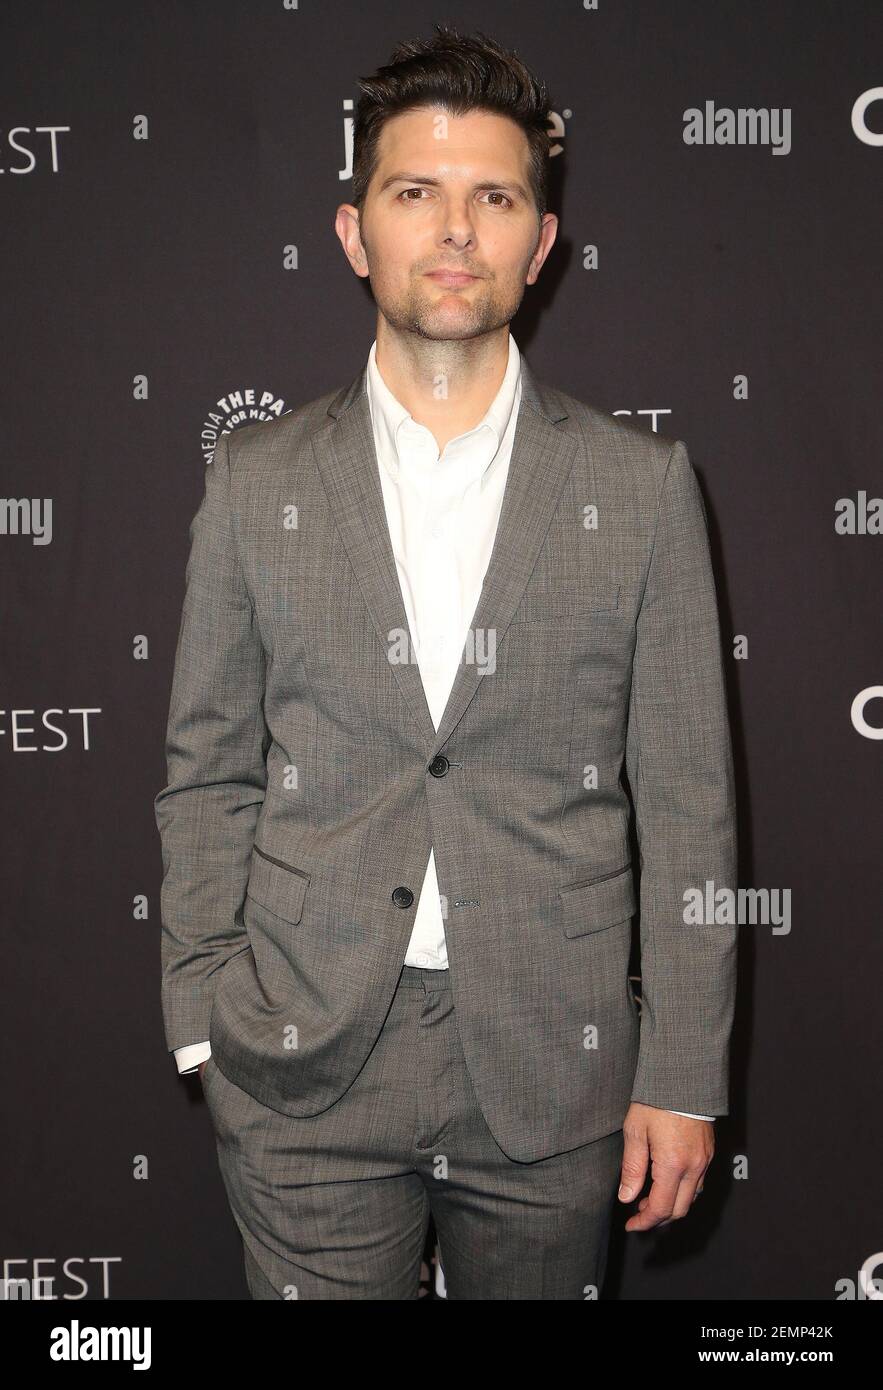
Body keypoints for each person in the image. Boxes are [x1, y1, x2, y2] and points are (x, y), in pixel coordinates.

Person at [154, 24, 737, 1300]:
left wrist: (682, 1072)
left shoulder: (639, 491)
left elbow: (689, 805)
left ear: (540, 242)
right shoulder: (256, 484)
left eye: (495, 197)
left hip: (554, 1061)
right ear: (357, 232)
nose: (456, 229)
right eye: (415, 193)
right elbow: (206, 770)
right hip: (302, 1059)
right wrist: (203, 1014)